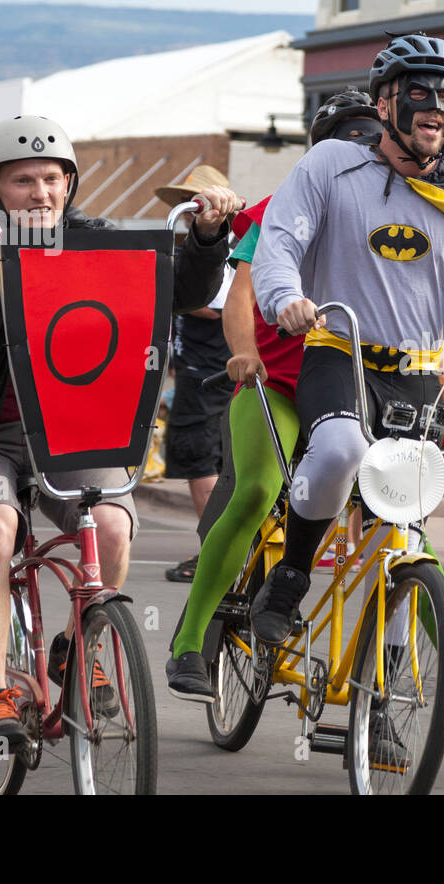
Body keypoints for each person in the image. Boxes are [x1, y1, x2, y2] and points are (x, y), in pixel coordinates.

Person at [0, 114, 239, 749]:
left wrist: (206, 235)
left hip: (71, 431)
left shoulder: (99, 242)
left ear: (70, 185)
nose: (40, 192)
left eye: (52, 179)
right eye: (22, 180)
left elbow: (183, 287)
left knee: (114, 525)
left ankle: (79, 644)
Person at [177, 67, 444, 720]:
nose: (365, 148)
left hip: (375, 375)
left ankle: (404, 688)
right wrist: (247, 348)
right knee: (258, 489)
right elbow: (249, 285)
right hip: (281, 381)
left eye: (369, 134)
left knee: (400, 525)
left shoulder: (438, 194)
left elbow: (440, 284)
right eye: (351, 137)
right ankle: (193, 639)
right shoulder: (297, 198)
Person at [156, 165, 239, 583]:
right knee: (208, 459)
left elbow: (214, 303)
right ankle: (219, 551)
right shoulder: (200, 242)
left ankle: (216, 554)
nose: (191, 213)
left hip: (209, 372)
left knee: (200, 458)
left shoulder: (222, 247)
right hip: (201, 368)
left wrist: (173, 295)